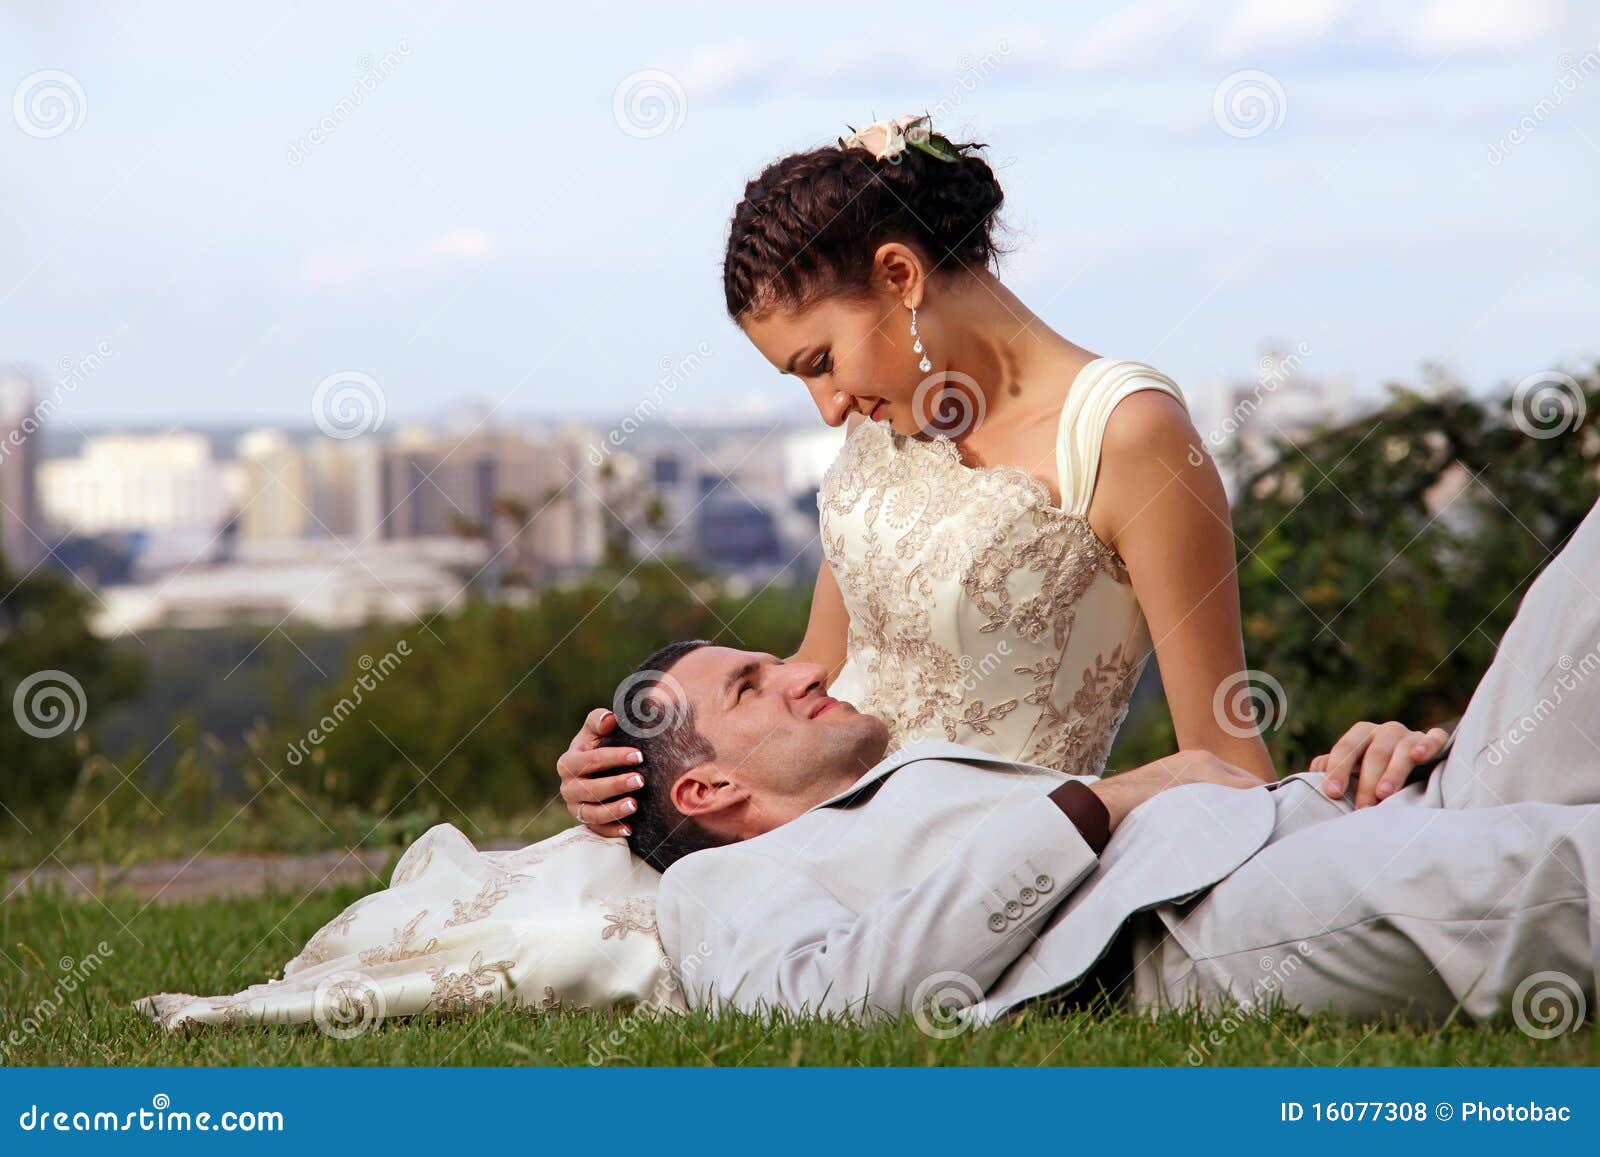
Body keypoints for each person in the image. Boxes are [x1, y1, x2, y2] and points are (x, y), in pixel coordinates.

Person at [560, 112, 1279, 852]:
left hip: (991, 868)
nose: (831, 407)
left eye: (822, 363)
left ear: (900, 275)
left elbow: (1225, 758)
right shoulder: (885, 428)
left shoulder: (1127, 434)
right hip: (820, 845)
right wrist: (638, 774)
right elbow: (816, 674)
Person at [624, 498, 1600, 1021]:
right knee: (1520, 868)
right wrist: (1111, 798)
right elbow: (835, 1003)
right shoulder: (719, 882)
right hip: (1191, 921)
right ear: (705, 786)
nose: (798, 667)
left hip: (1355, 798)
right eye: (751, 684)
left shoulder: (907, 775)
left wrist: (1374, 755)